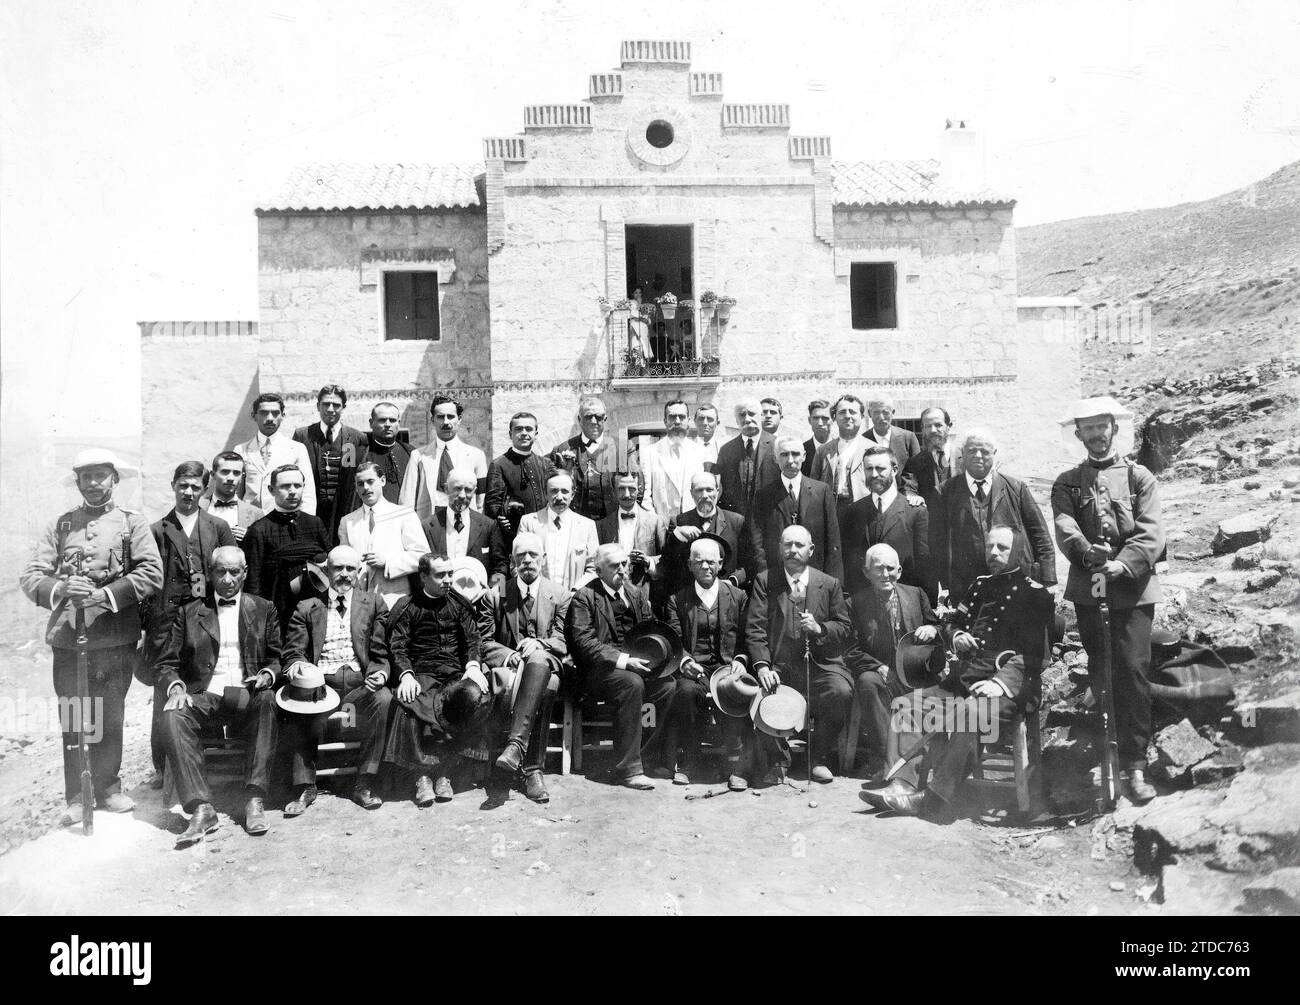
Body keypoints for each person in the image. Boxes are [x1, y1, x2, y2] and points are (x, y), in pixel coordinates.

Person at [861, 526, 1053, 819]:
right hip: (966, 679)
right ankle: (902, 784)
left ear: (1017, 552)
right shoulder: (979, 586)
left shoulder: (1034, 595)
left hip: (1011, 689)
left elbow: (1036, 656)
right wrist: (957, 635)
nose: (993, 553)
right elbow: (951, 622)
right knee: (908, 705)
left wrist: (1000, 684)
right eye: (990, 547)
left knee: (971, 713)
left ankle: (934, 799)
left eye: (1002, 548)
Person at [20, 448, 163, 826]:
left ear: (114, 479)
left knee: (110, 713)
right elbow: (32, 575)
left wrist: (104, 595)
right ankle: (76, 795)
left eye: (101, 476)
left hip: (115, 637)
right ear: (78, 483)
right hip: (69, 638)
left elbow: (152, 573)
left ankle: (109, 788)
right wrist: (63, 587)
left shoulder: (133, 524)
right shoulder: (62, 526)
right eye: (87, 477)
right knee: (74, 716)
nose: (94, 484)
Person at [1052, 397, 1164, 804]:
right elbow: (1064, 525)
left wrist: (1123, 564)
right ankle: (1108, 758)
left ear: (1113, 429)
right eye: (1088, 429)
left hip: (1133, 588)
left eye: (1103, 427)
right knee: (1101, 672)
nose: (1097, 435)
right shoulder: (1067, 481)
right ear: (1078, 434)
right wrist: (1086, 552)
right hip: (1091, 587)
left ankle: (1136, 765)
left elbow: (1152, 530)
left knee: (1133, 671)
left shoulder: (1140, 476)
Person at [155, 546, 282, 845]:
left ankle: (254, 799)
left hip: (247, 694)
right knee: (173, 713)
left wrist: (267, 675)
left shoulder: (264, 608)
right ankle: (201, 808)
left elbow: (277, 659)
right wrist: (176, 687)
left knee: (268, 701)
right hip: (205, 696)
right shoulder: (189, 612)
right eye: (220, 572)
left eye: (234, 572)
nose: (227, 579)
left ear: (245, 573)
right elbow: (166, 664)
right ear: (210, 574)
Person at [280, 545, 393, 813]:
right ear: (326, 570)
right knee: (296, 701)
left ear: (359, 572)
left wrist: (380, 672)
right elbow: (293, 650)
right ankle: (305, 786)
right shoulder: (307, 607)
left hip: (360, 685)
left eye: (350, 568)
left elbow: (380, 650)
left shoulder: (373, 603)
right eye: (337, 568)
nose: (344, 574)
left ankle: (364, 782)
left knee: (384, 698)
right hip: (321, 687)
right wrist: (296, 663)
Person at [143, 461, 235, 786]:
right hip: (167, 622)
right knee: (166, 687)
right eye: (183, 485)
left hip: (204, 618)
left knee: (201, 684)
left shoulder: (218, 526)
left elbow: (230, 570)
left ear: (205, 489)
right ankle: (161, 766)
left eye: (196, 487)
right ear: (173, 486)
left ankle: (202, 756)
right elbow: (148, 581)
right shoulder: (156, 531)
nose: (189, 492)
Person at [743, 525, 853, 782]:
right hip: (779, 665)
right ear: (780, 549)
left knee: (840, 691)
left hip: (820, 665)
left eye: (799, 545)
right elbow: (755, 627)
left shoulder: (829, 584)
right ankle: (778, 760)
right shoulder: (765, 580)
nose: (793, 550)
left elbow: (845, 626)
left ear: (811, 550)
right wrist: (762, 666)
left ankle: (814, 759)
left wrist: (820, 628)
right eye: (787, 545)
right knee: (761, 694)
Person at [565, 544, 677, 790]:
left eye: (625, 564)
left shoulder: (635, 593)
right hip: (597, 673)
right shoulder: (584, 598)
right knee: (632, 683)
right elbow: (584, 643)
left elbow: (649, 629)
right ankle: (628, 770)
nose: (623, 570)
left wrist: (654, 659)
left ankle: (645, 758)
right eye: (615, 566)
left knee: (667, 685)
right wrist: (625, 661)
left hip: (634, 665)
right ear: (598, 570)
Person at [384, 554, 487, 805]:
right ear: (423, 577)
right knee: (407, 702)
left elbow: (472, 639)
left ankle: (445, 774)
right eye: (441, 575)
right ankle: (421, 777)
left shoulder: (459, 605)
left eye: (450, 574)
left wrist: (473, 666)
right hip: (421, 674)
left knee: (470, 697)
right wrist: (406, 675)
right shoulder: (407, 606)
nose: (448, 580)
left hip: (454, 673)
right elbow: (398, 647)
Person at [477, 532, 571, 803]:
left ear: (544, 559)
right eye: (521, 556)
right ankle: (531, 769)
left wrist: (539, 644)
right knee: (538, 682)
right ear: (511, 560)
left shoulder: (560, 594)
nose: (528, 560)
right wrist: (509, 656)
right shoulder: (496, 594)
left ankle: (522, 757)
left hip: (548, 663)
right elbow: (484, 641)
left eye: (533, 555)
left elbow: (563, 639)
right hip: (508, 670)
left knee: (544, 671)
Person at [663, 536, 751, 788]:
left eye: (711, 561)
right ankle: (689, 761)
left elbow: (748, 637)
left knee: (736, 690)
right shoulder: (677, 600)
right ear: (689, 564)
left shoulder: (738, 596)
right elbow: (673, 641)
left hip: (727, 667)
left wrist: (741, 660)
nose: (705, 567)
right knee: (686, 692)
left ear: (721, 564)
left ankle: (736, 766)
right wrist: (685, 661)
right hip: (696, 671)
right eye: (699, 561)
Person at [847, 544, 940, 779]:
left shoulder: (917, 595)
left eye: (890, 568)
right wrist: (877, 666)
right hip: (883, 674)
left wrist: (931, 628)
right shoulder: (855, 603)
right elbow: (849, 649)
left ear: (899, 571)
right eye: (878, 569)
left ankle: (915, 763)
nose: (885, 574)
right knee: (868, 682)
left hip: (916, 674)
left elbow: (940, 629)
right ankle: (888, 759)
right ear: (866, 572)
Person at [933, 428, 1056, 603]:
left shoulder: (1016, 488)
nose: (978, 455)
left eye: (984, 451)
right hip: (967, 586)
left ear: (994, 453)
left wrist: (1046, 579)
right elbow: (937, 544)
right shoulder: (945, 492)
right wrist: (945, 586)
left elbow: (1040, 535)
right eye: (971, 451)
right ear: (962, 454)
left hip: (1015, 581)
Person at [240, 464, 332, 628]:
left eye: (297, 485)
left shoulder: (315, 523)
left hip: (314, 607)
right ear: (271, 489)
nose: (292, 491)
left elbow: (330, 565)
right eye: (285, 486)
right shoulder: (259, 530)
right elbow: (253, 582)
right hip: (278, 610)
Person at [745, 435, 843, 585]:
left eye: (795, 454)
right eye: (784, 454)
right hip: (777, 577)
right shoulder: (763, 495)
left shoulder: (822, 491)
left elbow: (832, 539)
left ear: (804, 456)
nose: (790, 460)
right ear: (775, 458)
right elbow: (757, 542)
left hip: (815, 576)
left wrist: (833, 581)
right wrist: (765, 577)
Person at [840, 444, 932, 597]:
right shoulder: (853, 512)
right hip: (864, 604)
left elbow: (925, 564)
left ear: (894, 470)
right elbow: (849, 563)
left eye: (880, 468)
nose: (874, 474)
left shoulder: (915, 511)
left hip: (905, 601)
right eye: (869, 469)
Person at [337, 461, 428, 607]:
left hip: (395, 601)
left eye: (370, 481)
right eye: (360, 484)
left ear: (383, 481)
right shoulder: (347, 521)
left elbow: (422, 557)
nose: (366, 488)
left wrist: (387, 562)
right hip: (358, 604)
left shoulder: (404, 515)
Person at [293, 384, 366, 540]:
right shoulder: (303, 436)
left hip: (343, 510)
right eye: (326, 404)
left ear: (343, 407)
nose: (331, 409)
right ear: (318, 405)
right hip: (312, 509)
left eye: (336, 405)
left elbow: (353, 473)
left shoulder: (355, 438)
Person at [401, 393, 489, 519]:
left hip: (465, 524)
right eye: (440, 417)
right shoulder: (418, 457)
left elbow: (482, 498)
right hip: (429, 527)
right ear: (432, 420)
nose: (446, 422)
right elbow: (407, 500)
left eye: (451, 416)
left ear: (459, 419)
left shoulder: (476, 456)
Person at [663, 471, 748, 594]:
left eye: (709, 490)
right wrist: (677, 536)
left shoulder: (736, 522)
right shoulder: (679, 522)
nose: (704, 495)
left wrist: (732, 581)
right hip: (690, 599)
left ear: (717, 492)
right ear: (691, 493)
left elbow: (747, 564)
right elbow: (668, 564)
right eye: (699, 490)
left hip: (725, 596)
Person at [420, 467, 509, 584]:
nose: (462, 495)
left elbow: (501, 566)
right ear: (446, 489)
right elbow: (421, 570)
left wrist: (498, 593)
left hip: (478, 599)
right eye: (457, 488)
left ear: (475, 491)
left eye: (468, 490)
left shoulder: (489, 526)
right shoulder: (427, 527)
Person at [517, 470, 600, 594]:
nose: (560, 497)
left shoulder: (587, 526)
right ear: (545, 494)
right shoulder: (528, 523)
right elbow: (518, 564)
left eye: (565, 491)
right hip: (538, 599)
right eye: (554, 491)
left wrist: (575, 592)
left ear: (572, 495)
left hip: (575, 600)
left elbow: (594, 569)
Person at [235, 392, 318, 515]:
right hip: (250, 521)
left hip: (284, 521)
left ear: (282, 416)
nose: (269, 418)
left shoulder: (296, 449)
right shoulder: (241, 450)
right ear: (254, 416)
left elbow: (307, 494)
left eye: (275, 413)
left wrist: (305, 527)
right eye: (264, 413)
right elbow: (236, 493)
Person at [547, 394, 620, 522]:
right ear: (579, 419)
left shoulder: (621, 448)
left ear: (605, 419)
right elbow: (548, 486)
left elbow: (637, 486)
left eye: (598, 417)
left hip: (611, 523)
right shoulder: (562, 450)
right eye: (588, 417)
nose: (593, 422)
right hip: (575, 523)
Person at [485, 411, 554, 544]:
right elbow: (493, 503)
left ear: (536, 434)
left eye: (528, 429)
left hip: (545, 532)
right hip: (514, 536)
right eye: (518, 429)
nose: (524, 433)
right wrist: (500, 520)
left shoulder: (546, 464)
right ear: (510, 434)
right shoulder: (499, 464)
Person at [642, 399, 707, 525]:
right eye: (672, 417)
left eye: (681, 417)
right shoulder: (651, 452)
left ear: (688, 421)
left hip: (693, 526)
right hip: (662, 527)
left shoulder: (699, 452)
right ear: (665, 421)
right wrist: (657, 525)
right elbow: (646, 496)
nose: (677, 421)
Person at [596, 471, 666, 589]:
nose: (627, 494)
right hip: (612, 592)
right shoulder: (602, 525)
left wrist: (648, 562)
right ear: (613, 492)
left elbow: (666, 561)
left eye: (632, 489)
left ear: (638, 489)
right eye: (621, 489)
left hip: (645, 592)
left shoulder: (655, 522)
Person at [715, 398, 779, 519]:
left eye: (752, 414)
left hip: (768, 521)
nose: (747, 419)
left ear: (761, 416)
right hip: (735, 523)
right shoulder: (726, 450)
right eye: (742, 415)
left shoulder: (777, 446)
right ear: (736, 420)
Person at [810, 393, 870, 515]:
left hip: (864, 512)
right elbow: (813, 487)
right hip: (832, 512)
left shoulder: (874, 449)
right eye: (842, 412)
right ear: (834, 417)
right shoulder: (823, 451)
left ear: (862, 417)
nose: (848, 416)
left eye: (852, 412)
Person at [901, 407, 958, 514]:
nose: (932, 430)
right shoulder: (914, 462)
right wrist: (912, 497)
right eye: (928, 426)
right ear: (922, 429)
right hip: (931, 526)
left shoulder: (966, 458)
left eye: (938, 425)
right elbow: (907, 489)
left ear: (949, 426)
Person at [199, 451, 263, 543]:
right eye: (225, 472)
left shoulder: (256, 514)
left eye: (236, 473)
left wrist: (251, 538)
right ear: (213, 475)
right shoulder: (196, 508)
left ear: (242, 477)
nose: (230, 478)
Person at [864, 395, 921, 479]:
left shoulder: (908, 438)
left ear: (893, 412)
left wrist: (905, 492)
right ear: (869, 413)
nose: (881, 417)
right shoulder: (863, 440)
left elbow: (916, 472)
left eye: (886, 412)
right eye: (876, 412)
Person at [802, 399, 833, 477]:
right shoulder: (801, 450)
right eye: (816, 418)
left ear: (833, 420)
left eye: (825, 418)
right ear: (809, 420)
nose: (820, 423)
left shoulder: (841, 449)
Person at [692, 403, 722, 471]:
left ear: (717, 422)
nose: (705, 423)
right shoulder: (686, 448)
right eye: (701, 419)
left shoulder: (724, 449)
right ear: (695, 421)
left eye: (710, 419)